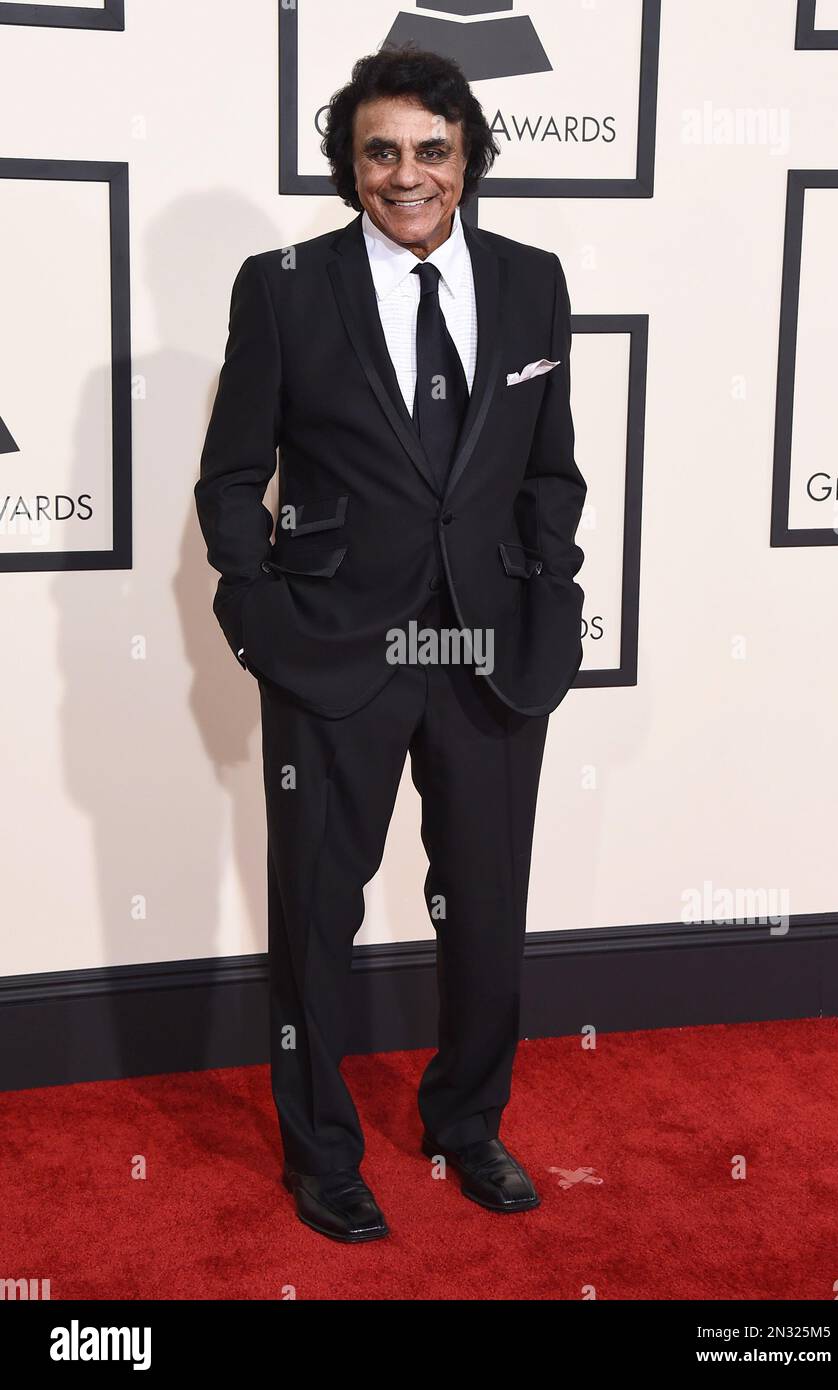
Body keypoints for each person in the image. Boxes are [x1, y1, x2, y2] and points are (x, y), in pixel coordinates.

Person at [194, 43, 586, 1243]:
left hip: (484, 645)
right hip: (334, 651)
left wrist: (547, 593)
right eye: (380, 151)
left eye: (430, 149)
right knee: (317, 910)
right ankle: (321, 1153)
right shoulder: (283, 286)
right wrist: (261, 614)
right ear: (347, 163)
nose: (405, 174)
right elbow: (231, 475)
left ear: (466, 158)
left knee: (485, 903)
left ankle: (467, 1122)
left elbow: (546, 467)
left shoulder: (531, 282)